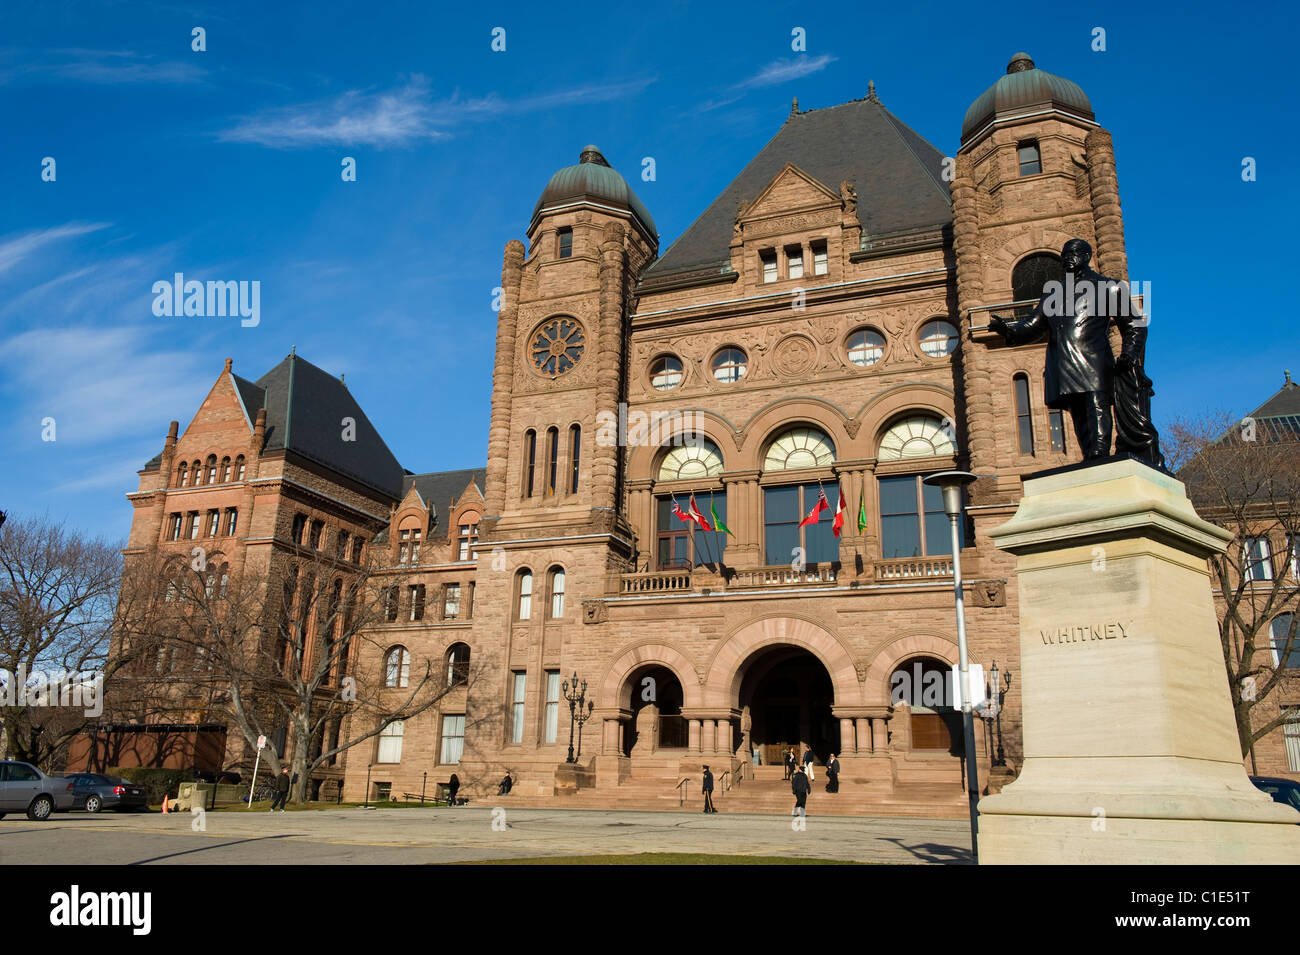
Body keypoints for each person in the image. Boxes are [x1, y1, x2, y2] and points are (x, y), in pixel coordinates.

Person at [988, 238, 1160, 465]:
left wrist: (1129, 353)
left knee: (1096, 406)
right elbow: (1032, 325)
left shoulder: (1109, 287)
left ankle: (1099, 455)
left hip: (1093, 358)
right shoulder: (1053, 294)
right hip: (1063, 361)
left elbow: (1134, 325)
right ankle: (1090, 457)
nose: (1068, 257)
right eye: (1065, 254)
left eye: (1074, 252)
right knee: (1078, 412)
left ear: (1086, 257)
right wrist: (1008, 331)